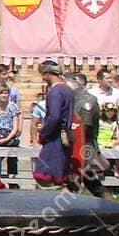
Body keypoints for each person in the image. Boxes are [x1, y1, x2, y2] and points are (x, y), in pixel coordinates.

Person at [34, 60, 74, 188]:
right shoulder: (68, 90)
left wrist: (43, 132)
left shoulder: (56, 92)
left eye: (43, 74)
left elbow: (55, 117)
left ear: (47, 73)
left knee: (46, 181)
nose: (43, 78)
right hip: (63, 138)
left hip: (55, 140)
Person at [0, 84, 22, 179]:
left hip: (10, 136)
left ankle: (13, 180)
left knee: (12, 155)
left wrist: (7, 138)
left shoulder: (13, 107)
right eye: (1, 93)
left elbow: (15, 127)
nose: (4, 95)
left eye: (6, 93)